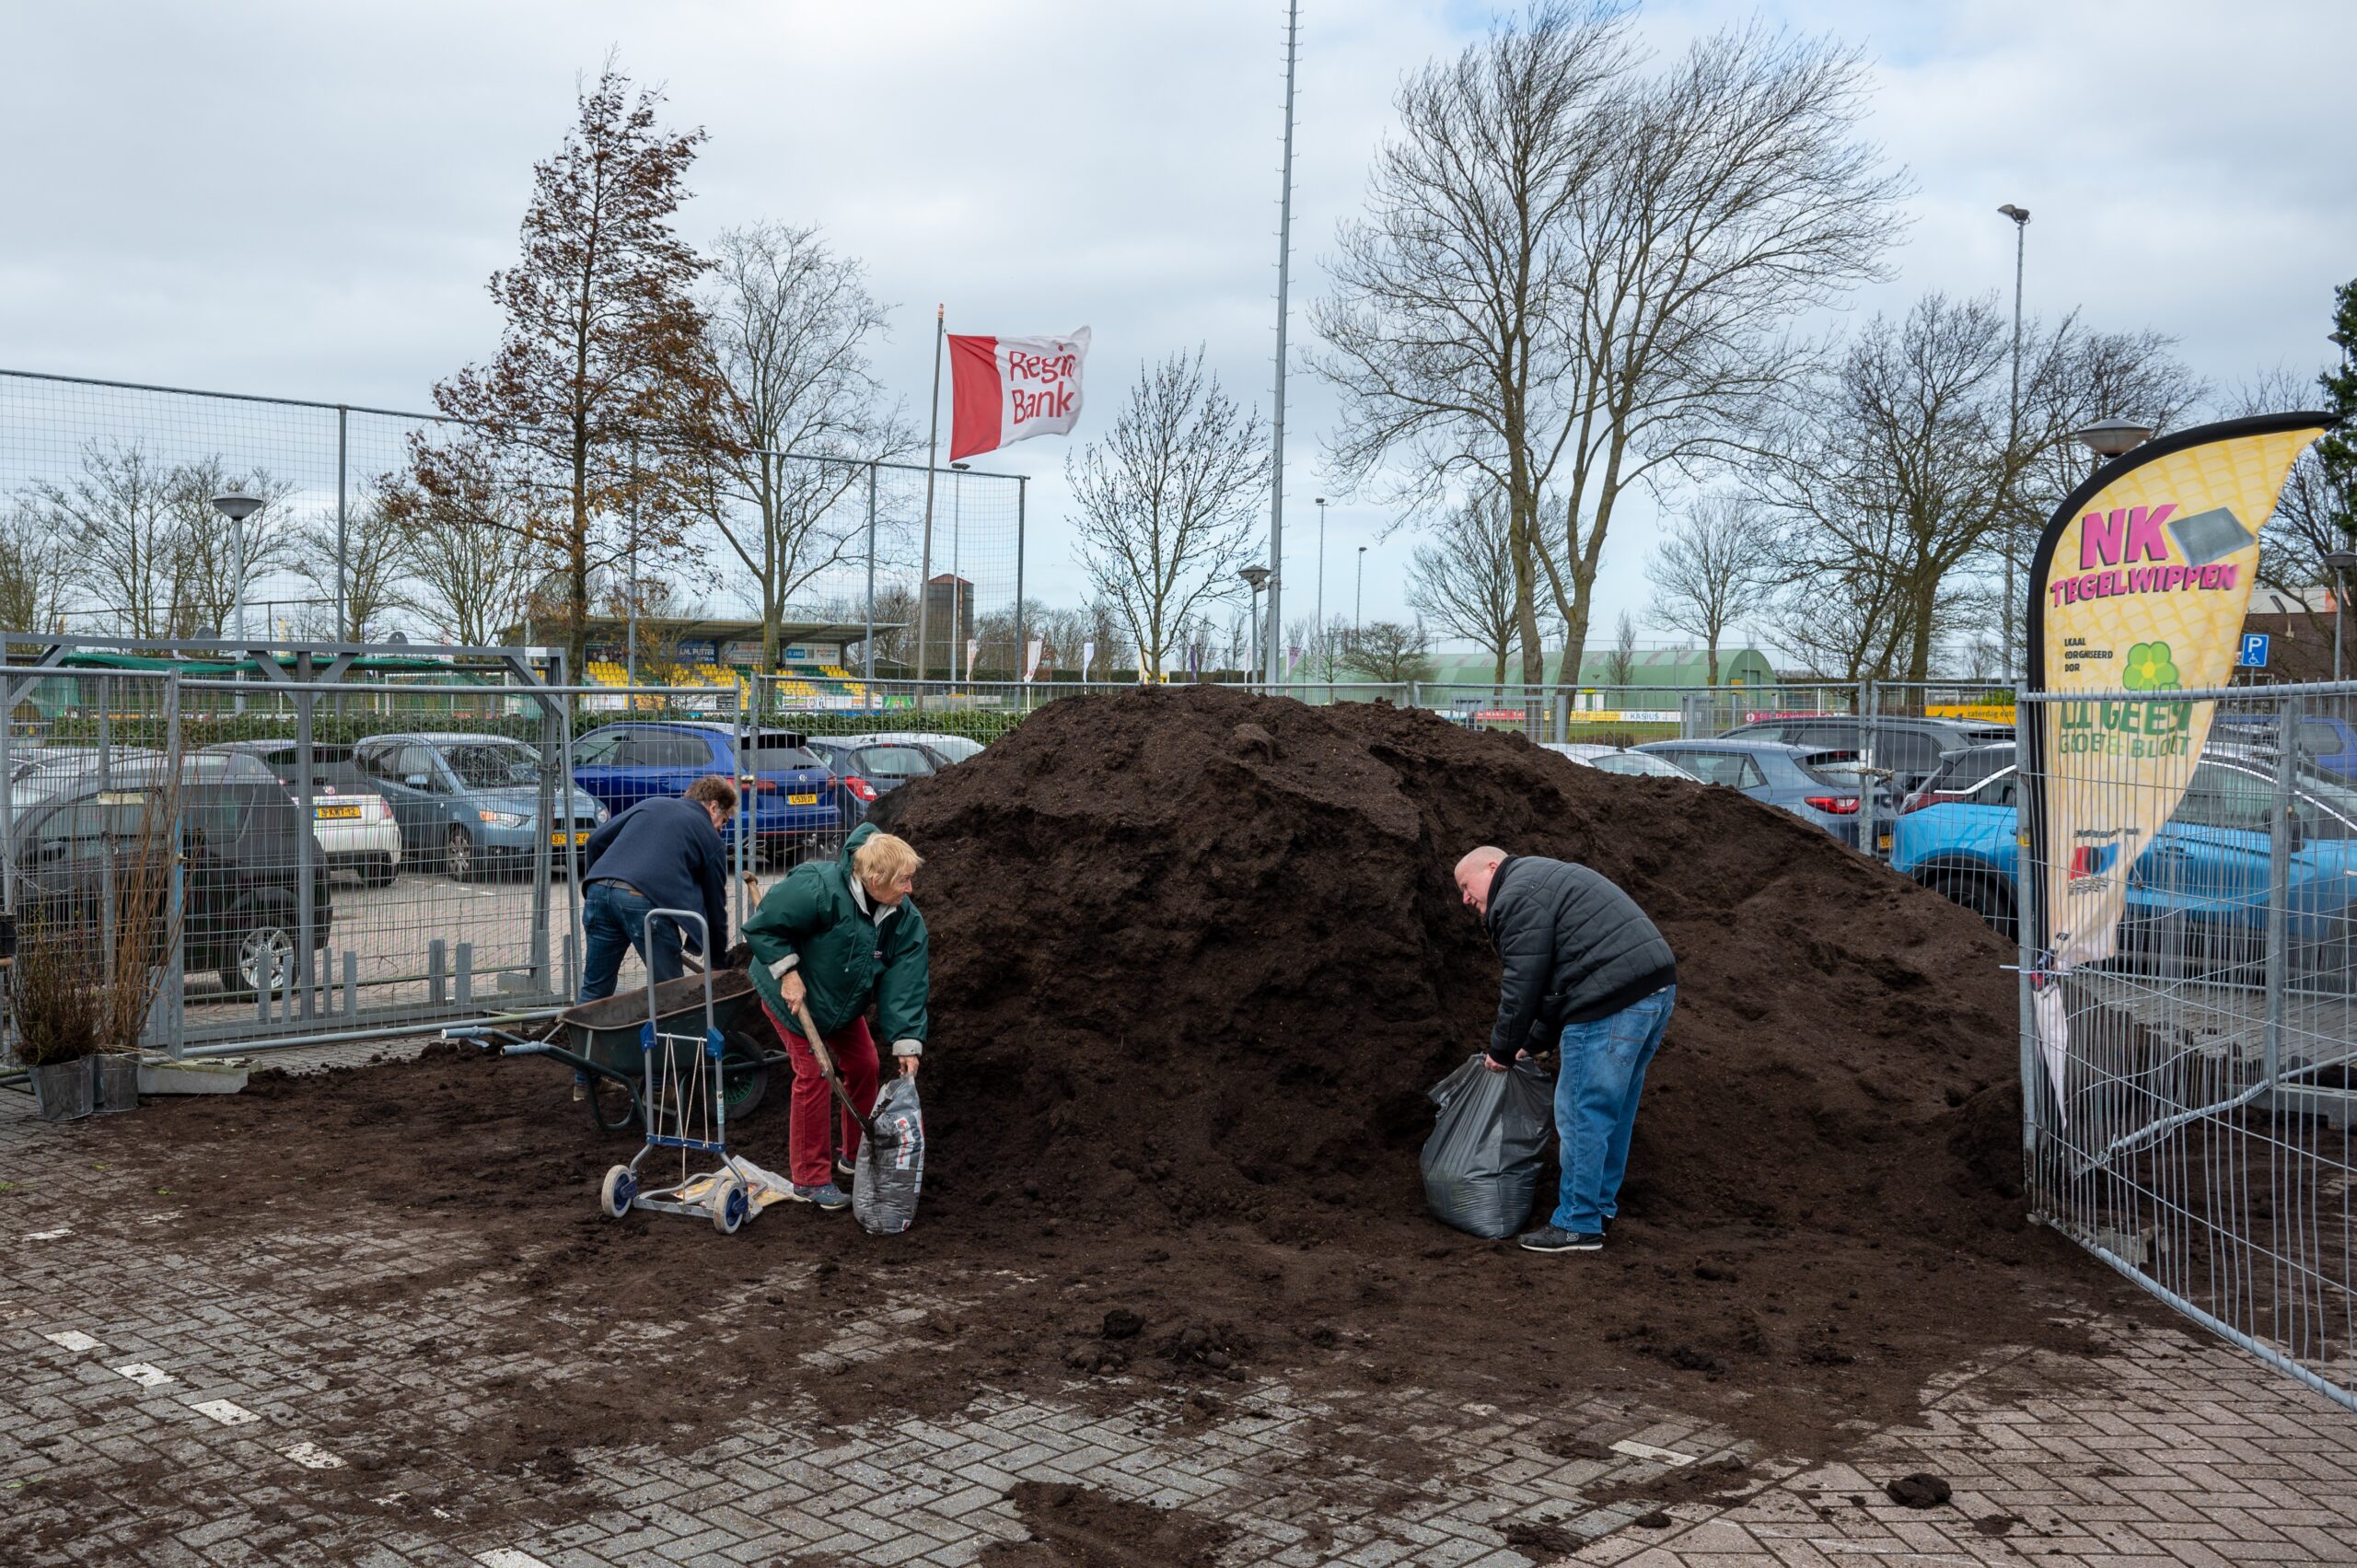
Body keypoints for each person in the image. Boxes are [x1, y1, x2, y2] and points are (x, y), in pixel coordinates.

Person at [1454, 844, 1677, 1254]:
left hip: (1610, 1000)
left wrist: (1501, 1051)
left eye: (1466, 886)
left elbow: (1523, 987)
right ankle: (1598, 1209)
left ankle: (1577, 1224)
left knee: (1581, 1113)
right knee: (1614, 1112)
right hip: (1653, 989)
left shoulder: (1514, 897)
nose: (1465, 898)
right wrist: (1531, 1043)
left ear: (1492, 866)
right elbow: (1557, 984)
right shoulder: (1542, 880)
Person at [743, 822, 929, 1211]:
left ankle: (854, 1154)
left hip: (842, 1003)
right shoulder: (818, 887)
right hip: (792, 998)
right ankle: (810, 1179)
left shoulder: (903, 919)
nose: (910, 889)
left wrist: (907, 1041)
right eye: (904, 881)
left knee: (865, 1063)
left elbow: (905, 982)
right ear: (876, 878)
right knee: (813, 1072)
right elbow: (764, 928)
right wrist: (787, 972)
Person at [577, 773, 738, 1005]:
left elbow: (594, 841)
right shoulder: (709, 838)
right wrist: (716, 961)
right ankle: (676, 1041)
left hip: (598, 891)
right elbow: (715, 906)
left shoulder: (651, 804)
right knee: (671, 991)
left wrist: (602, 886)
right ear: (713, 806)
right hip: (642, 901)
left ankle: (581, 1040)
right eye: (724, 820)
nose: (721, 829)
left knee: (595, 989)